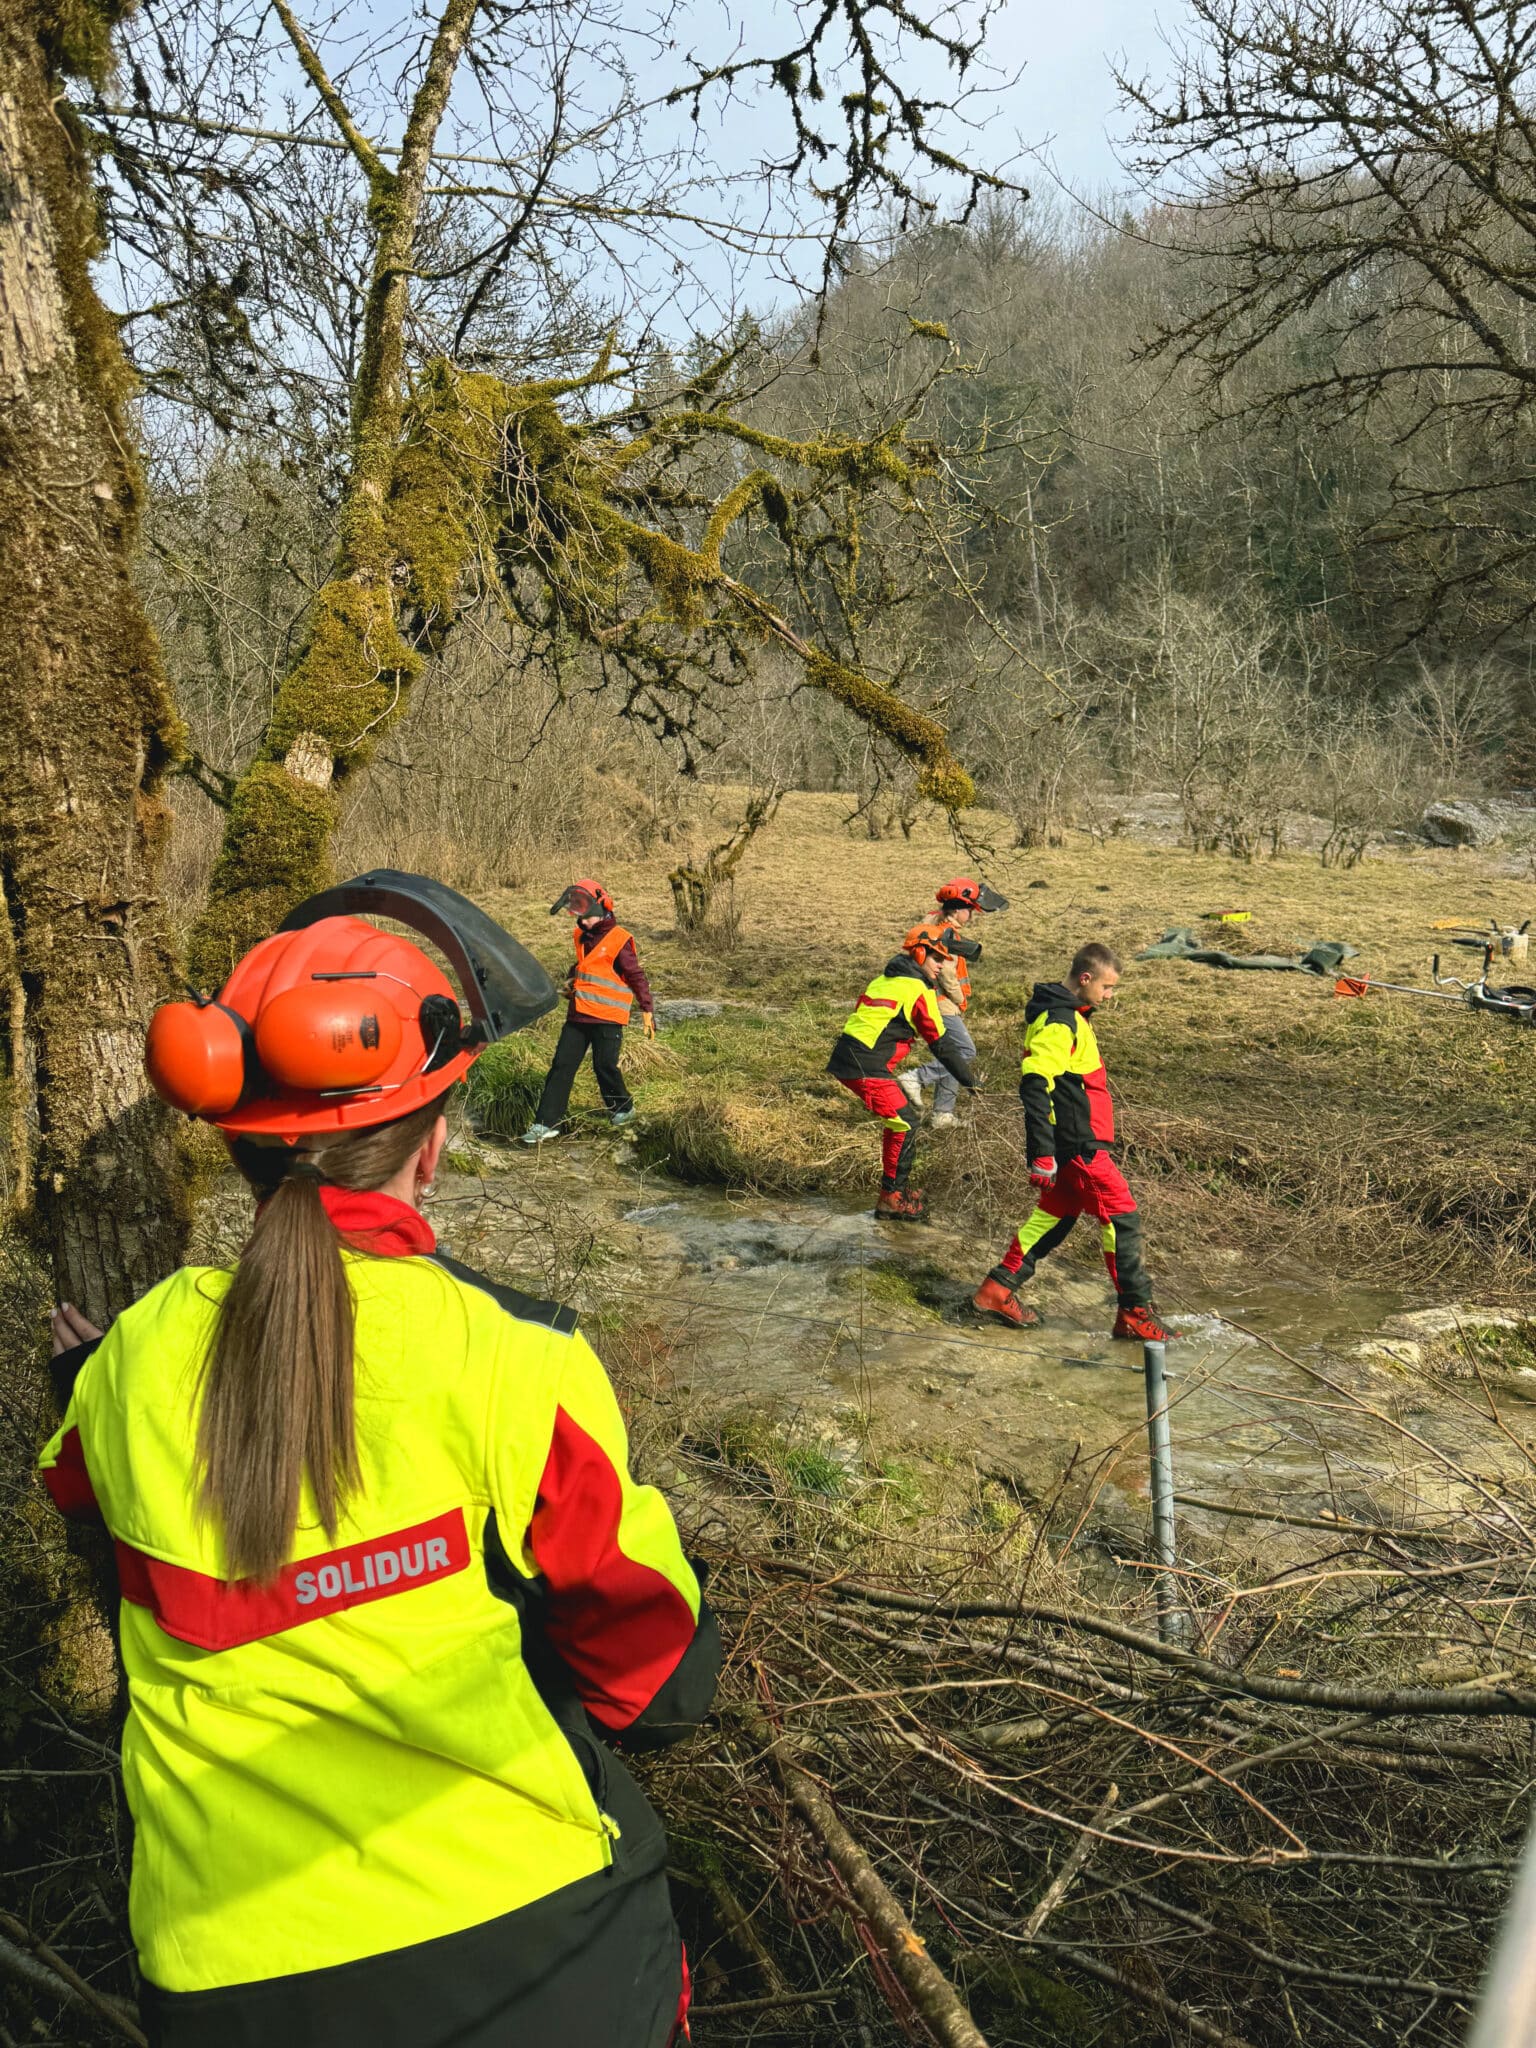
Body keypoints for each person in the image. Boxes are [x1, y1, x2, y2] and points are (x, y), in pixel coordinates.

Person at [39, 877, 719, 2048]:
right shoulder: (518, 1355)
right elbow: (660, 1685)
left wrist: (87, 1373)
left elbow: (84, 1495)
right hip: (540, 1955)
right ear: (435, 1139)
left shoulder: (135, 1356)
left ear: (233, 1141)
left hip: (223, 1982)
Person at [971, 941, 1173, 1341]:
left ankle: (996, 1291)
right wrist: (1042, 1153)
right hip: (1078, 1144)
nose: (1109, 996)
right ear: (1085, 978)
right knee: (1122, 1217)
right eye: (1107, 987)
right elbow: (1034, 1085)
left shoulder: (1070, 1016)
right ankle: (1134, 1312)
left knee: (1054, 1217)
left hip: (1076, 1141)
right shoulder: (1059, 1022)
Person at [827, 926, 977, 1220]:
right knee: (905, 1122)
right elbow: (942, 1043)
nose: (941, 966)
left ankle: (895, 1192)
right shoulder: (917, 989)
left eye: (944, 959)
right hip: (865, 1065)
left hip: (852, 1059)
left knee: (902, 1119)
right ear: (919, 953)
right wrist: (969, 1080)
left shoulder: (885, 979)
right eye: (936, 959)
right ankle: (891, 1198)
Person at [524, 879, 656, 1145]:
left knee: (604, 1066)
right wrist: (572, 979)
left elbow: (634, 974)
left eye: (587, 918)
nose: (582, 923)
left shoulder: (620, 939)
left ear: (603, 908)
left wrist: (647, 1008)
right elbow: (586, 966)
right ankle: (544, 1124)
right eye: (578, 918)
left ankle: (623, 1110)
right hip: (579, 1015)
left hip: (608, 1018)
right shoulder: (581, 936)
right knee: (561, 1066)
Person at [899, 877, 1008, 1129]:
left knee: (955, 1054)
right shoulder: (945, 935)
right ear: (958, 910)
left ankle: (943, 1114)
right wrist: (960, 1000)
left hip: (933, 1002)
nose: (971, 915)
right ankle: (916, 1078)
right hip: (943, 1004)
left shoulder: (932, 923)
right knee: (965, 1052)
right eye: (969, 910)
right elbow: (947, 974)